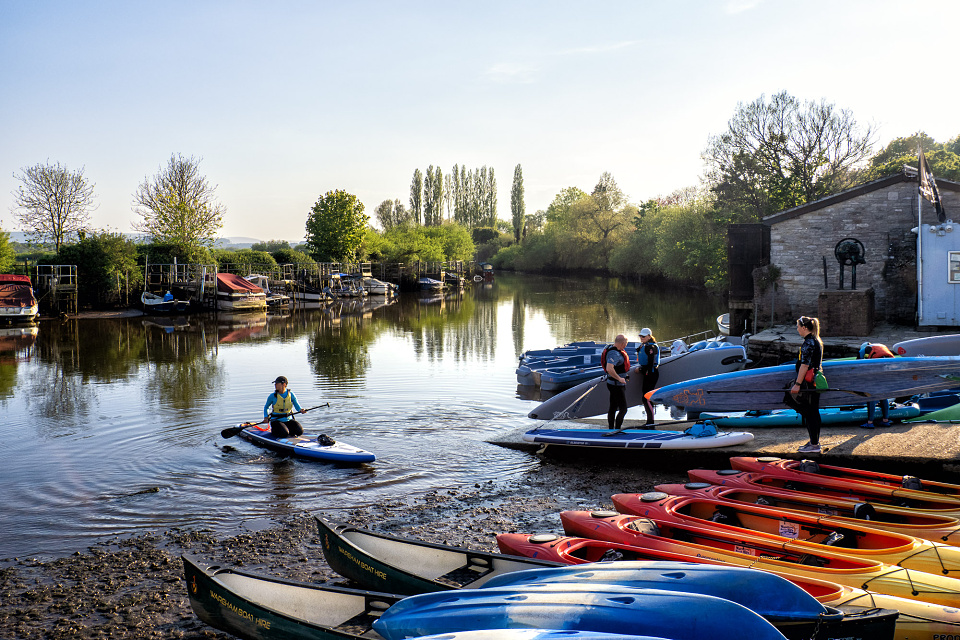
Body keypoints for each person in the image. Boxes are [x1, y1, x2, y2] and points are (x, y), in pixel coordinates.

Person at [784, 316, 824, 454]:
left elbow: (804, 365)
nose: (797, 329)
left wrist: (797, 384)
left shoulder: (809, 343)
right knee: (812, 412)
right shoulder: (814, 340)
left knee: (810, 412)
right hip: (813, 382)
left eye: (798, 327)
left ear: (804, 328)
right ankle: (814, 442)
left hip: (808, 383)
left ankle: (814, 445)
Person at [858, 342, 895, 428]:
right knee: (883, 394)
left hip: (875, 370)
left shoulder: (862, 351)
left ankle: (870, 422)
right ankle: (885, 420)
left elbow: (858, 364)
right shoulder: (879, 347)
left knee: (871, 395)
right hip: (887, 368)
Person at [602, 335, 630, 430]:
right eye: (626, 344)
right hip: (616, 385)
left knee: (613, 407)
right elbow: (609, 368)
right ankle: (617, 429)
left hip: (613, 383)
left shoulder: (613, 349)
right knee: (623, 409)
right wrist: (619, 378)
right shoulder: (614, 353)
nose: (626, 346)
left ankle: (611, 429)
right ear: (622, 343)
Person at [637, 328, 660, 427]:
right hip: (647, 373)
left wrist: (641, 370)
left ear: (649, 337)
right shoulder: (645, 345)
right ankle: (649, 422)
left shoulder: (651, 347)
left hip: (651, 373)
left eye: (643, 336)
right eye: (640, 336)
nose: (641, 338)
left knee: (646, 398)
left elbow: (651, 364)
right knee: (645, 397)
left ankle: (650, 423)